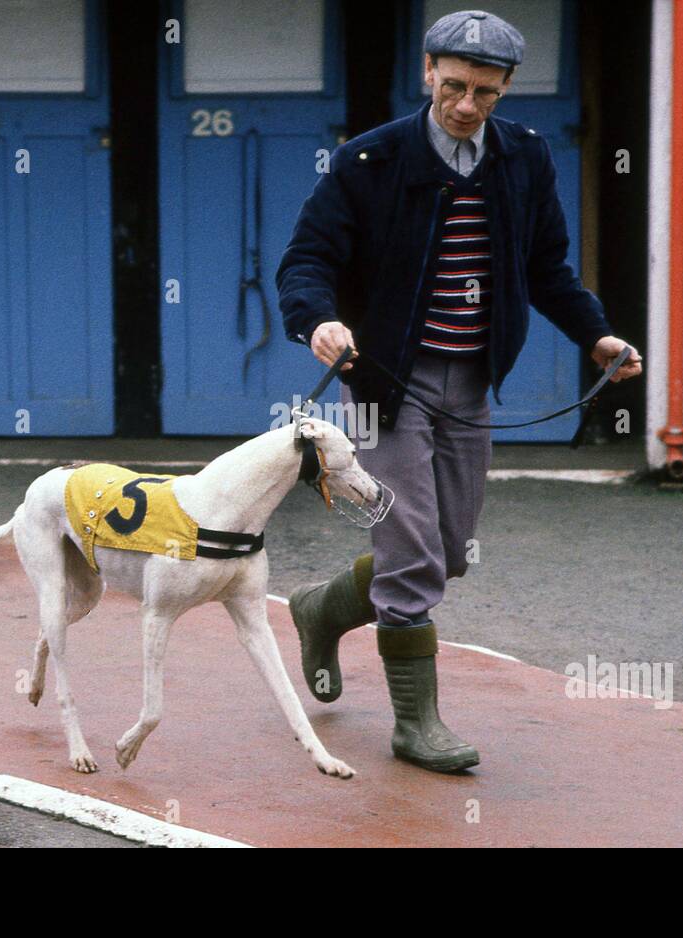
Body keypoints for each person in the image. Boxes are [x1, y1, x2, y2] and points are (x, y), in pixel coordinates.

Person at [275, 10, 643, 773]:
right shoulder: (369, 159)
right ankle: (418, 727)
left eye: (485, 91)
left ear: (506, 88)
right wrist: (320, 322)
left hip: (469, 380)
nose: (467, 105)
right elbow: (304, 261)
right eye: (454, 86)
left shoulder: (525, 158)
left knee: (448, 550)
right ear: (427, 72)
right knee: (411, 551)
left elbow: (547, 267)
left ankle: (320, 607)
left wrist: (596, 336)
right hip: (381, 380)